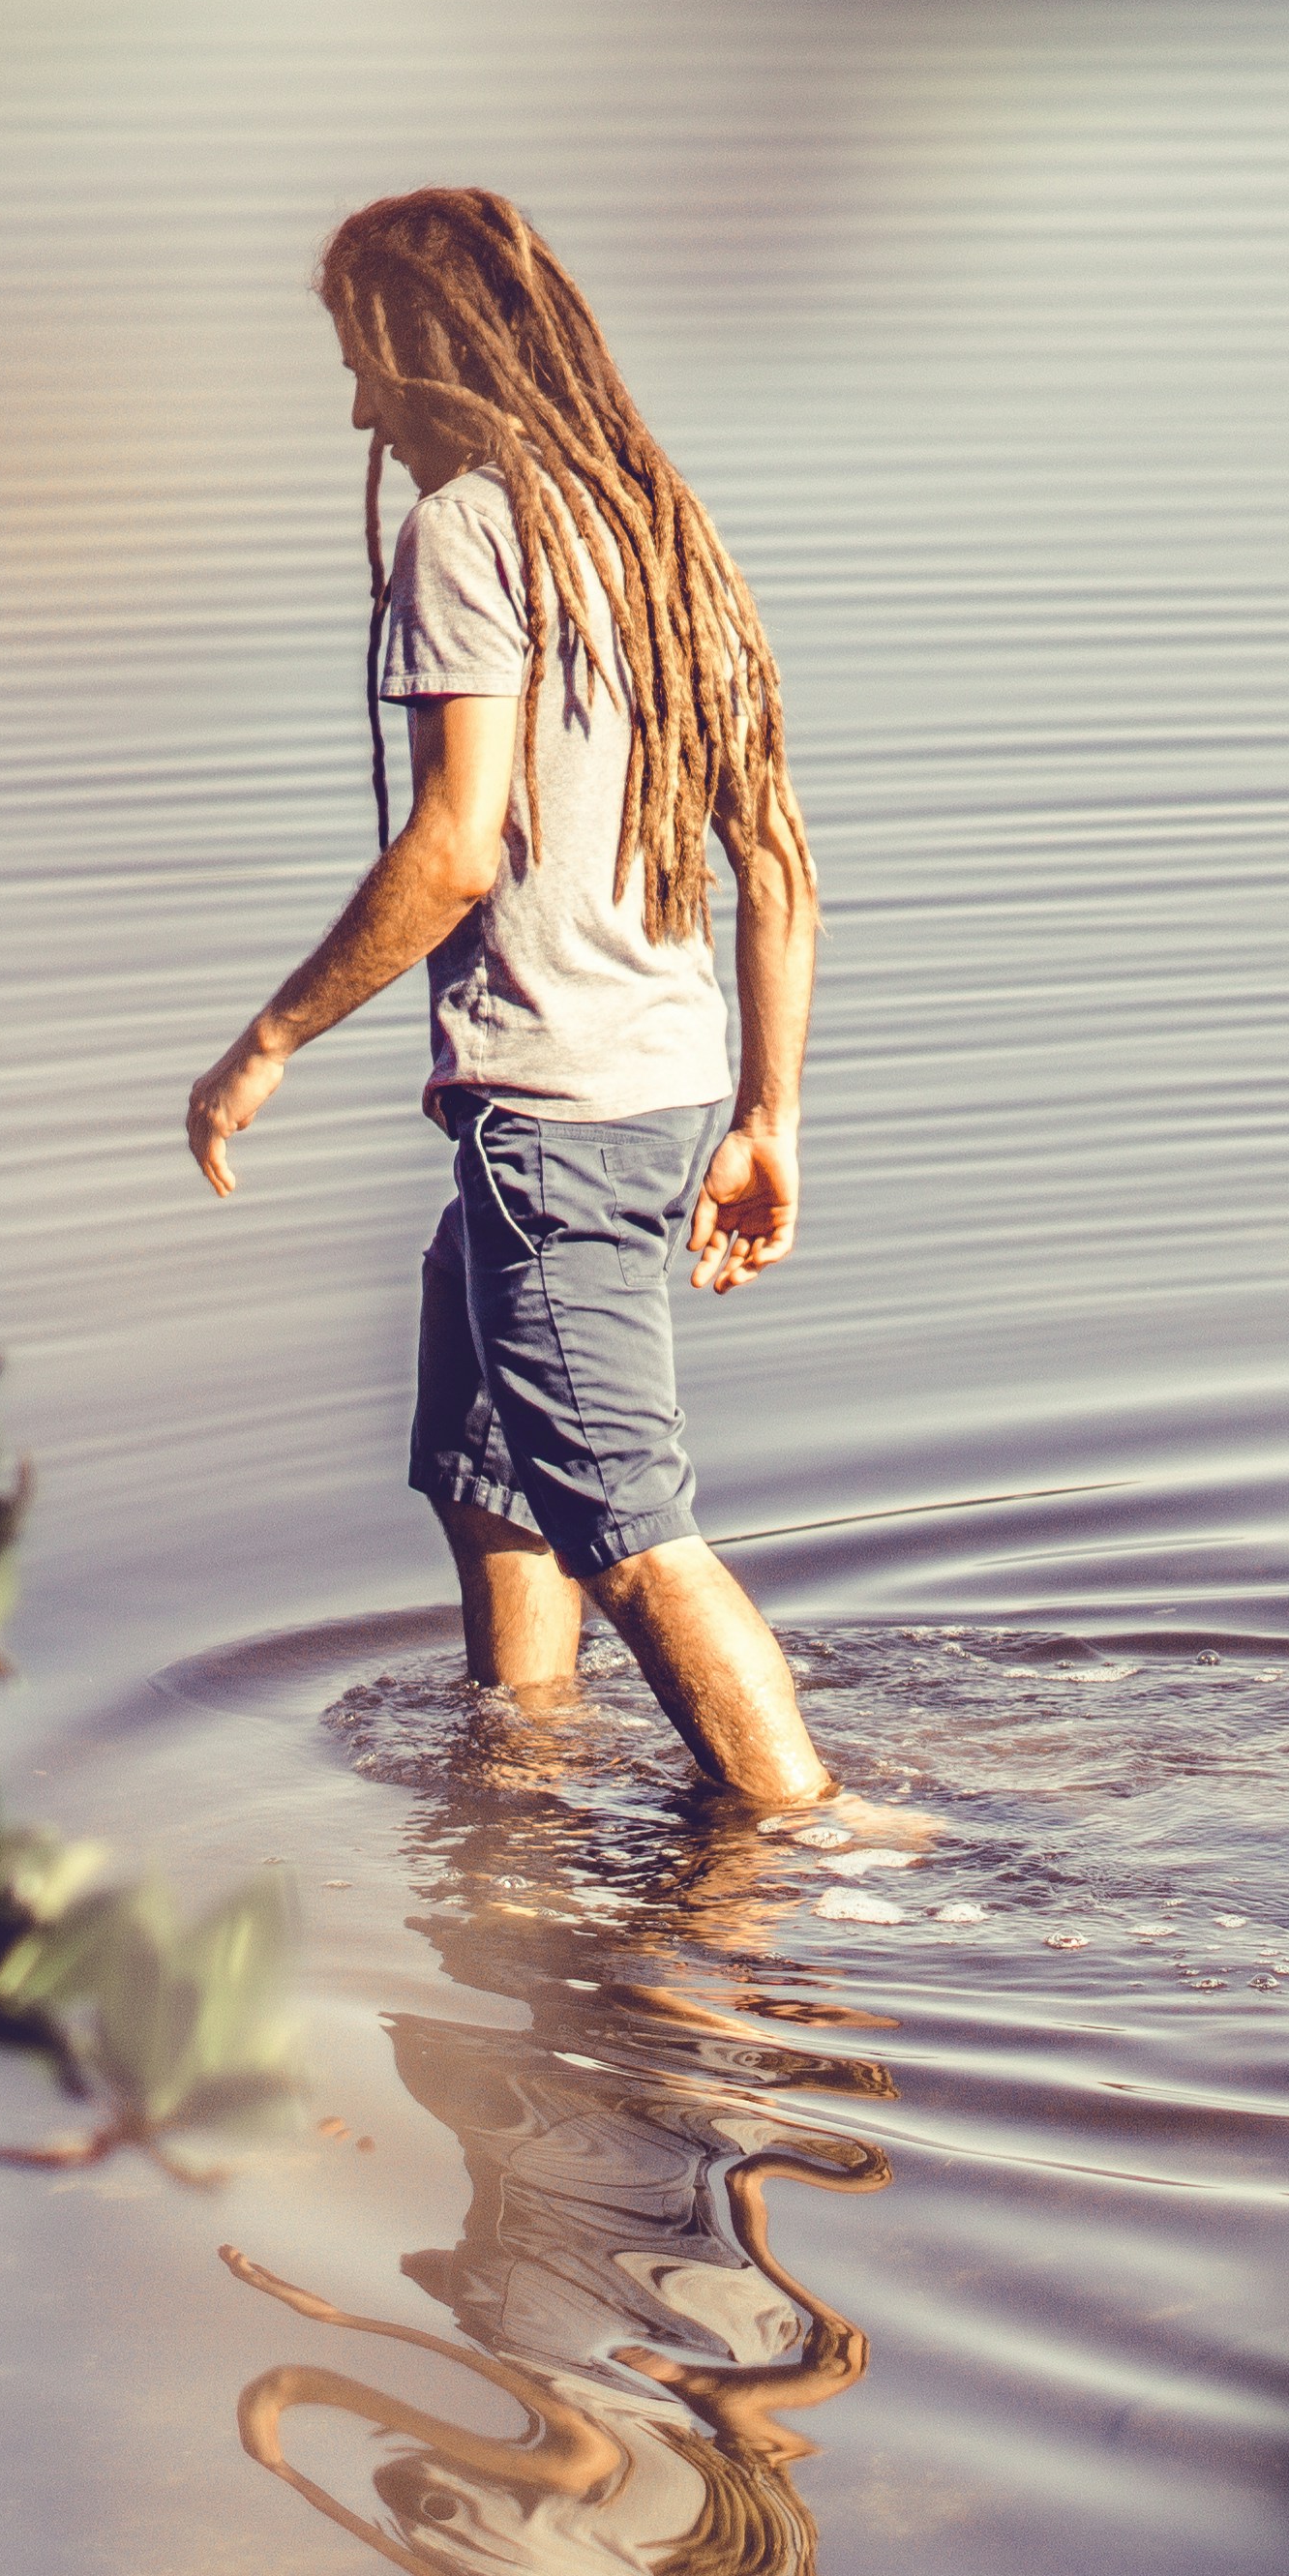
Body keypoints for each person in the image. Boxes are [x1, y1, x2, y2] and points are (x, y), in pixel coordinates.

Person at [183, 187, 836, 1803]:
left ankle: (807, 1852)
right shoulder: (662, 530)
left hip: (560, 1113)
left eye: (359, 360)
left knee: (627, 1526)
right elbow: (779, 860)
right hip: (653, 1092)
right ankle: (520, 1795)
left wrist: (268, 1036)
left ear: (423, 350)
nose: (354, 407)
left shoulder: (468, 531)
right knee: (488, 1472)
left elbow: (456, 848)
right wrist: (765, 1118)